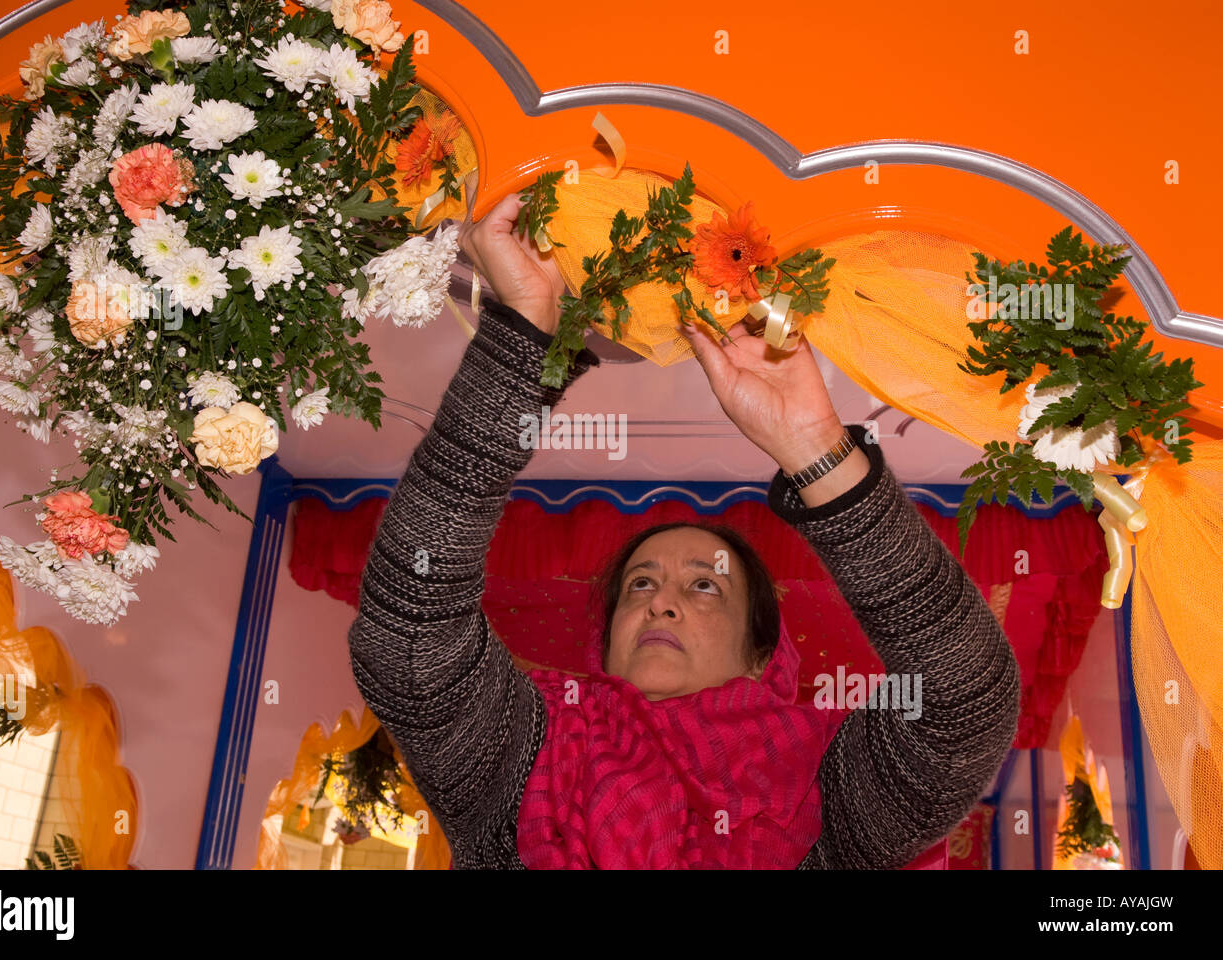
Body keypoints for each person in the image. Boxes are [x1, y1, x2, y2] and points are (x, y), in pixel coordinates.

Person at [348, 193, 1021, 869]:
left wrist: (819, 451)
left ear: (764, 657)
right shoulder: (523, 755)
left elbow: (965, 698)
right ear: (603, 641)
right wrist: (523, 336)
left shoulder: (824, 795)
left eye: (705, 588)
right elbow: (408, 634)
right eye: (640, 584)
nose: (658, 602)